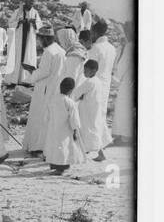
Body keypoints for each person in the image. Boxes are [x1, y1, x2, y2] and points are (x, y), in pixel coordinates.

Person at [23, 27, 70, 155]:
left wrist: (31, 72)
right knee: (49, 118)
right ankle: (46, 146)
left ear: (44, 38)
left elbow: (44, 72)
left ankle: (38, 147)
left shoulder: (49, 52)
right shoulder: (60, 50)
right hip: (55, 88)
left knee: (40, 117)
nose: (39, 41)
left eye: (39, 39)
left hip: (45, 90)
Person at [45, 77, 86, 175]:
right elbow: (74, 118)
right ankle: (61, 169)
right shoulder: (69, 102)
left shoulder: (53, 99)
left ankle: (54, 165)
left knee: (53, 147)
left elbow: (47, 116)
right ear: (71, 90)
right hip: (64, 131)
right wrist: (75, 130)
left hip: (53, 128)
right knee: (63, 148)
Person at [74, 58, 109, 162]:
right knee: (91, 131)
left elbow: (76, 93)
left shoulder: (89, 82)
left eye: (86, 70)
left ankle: (98, 154)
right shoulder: (97, 81)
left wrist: (79, 97)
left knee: (88, 131)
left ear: (93, 71)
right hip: (94, 109)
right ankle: (85, 153)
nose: (84, 72)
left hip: (87, 111)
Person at [5, 0, 42, 86]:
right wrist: (19, 22)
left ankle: (26, 80)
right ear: (26, 3)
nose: (31, 5)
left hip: (29, 39)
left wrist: (34, 23)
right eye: (30, 3)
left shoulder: (35, 12)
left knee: (28, 58)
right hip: (18, 39)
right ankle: (13, 80)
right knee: (16, 58)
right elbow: (10, 23)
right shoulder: (18, 11)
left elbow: (40, 23)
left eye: (32, 3)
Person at [111, 21, 134, 144]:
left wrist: (115, 77)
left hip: (128, 81)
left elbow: (123, 65)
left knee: (123, 107)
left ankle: (125, 135)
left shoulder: (130, 46)